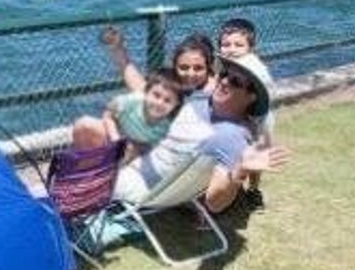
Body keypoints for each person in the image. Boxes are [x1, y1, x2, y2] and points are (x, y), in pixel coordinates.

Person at [112, 52, 289, 213]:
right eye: (224, 74)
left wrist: (240, 171)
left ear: (251, 97)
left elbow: (215, 204)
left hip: (138, 183)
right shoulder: (206, 101)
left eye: (235, 82)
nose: (224, 81)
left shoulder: (231, 137)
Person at [216, 17, 275, 210]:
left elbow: (263, 96)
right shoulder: (227, 63)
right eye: (226, 44)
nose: (231, 49)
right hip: (241, 115)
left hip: (259, 119)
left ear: (250, 48)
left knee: (255, 154)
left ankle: (253, 190)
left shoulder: (252, 68)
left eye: (238, 45)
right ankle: (233, 187)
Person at [70, 68, 184, 164]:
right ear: (146, 92)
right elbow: (108, 113)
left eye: (167, 100)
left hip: (134, 152)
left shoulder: (169, 126)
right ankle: (85, 165)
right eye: (156, 95)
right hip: (114, 137)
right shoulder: (132, 101)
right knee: (84, 124)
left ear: (176, 105)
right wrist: (116, 138)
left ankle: (108, 171)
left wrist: (135, 148)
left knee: (130, 152)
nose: (159, 103)